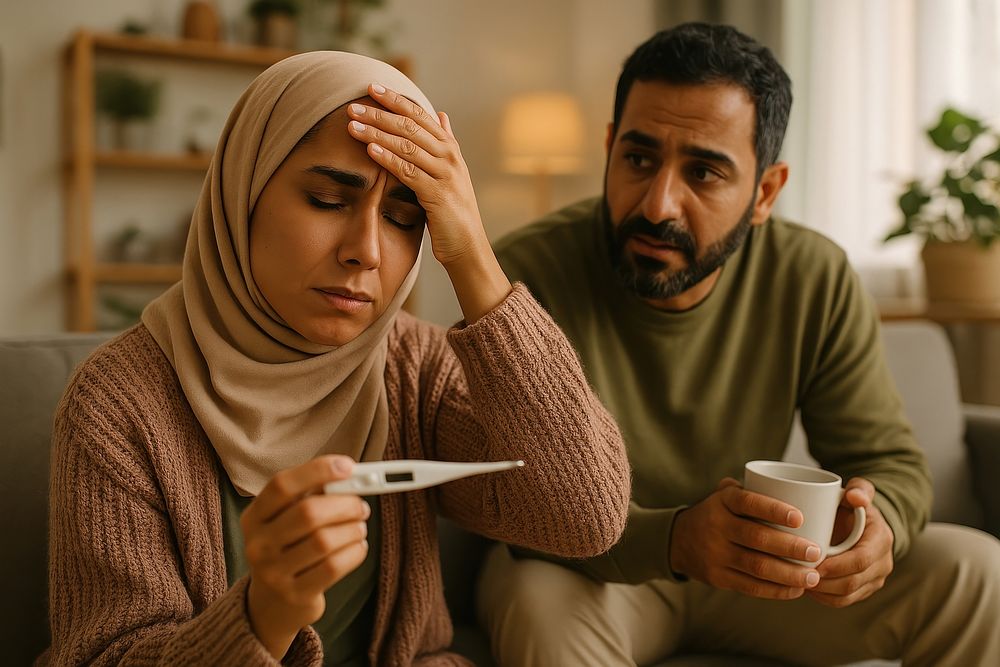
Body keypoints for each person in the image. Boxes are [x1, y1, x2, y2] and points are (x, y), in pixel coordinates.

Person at [43, 52, 631, 666]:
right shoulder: (117, 404)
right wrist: (264, 612)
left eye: (406, 218)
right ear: (243, 189)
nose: (367, 251)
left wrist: (473, 257)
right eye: (327, 198)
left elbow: (583, 517)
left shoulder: (414, 370)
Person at [478, 22, 1000, 666]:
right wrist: (673, 539)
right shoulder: (521, 280)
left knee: (979, 574)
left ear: (765, 193)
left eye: (703, 172)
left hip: (763, 577)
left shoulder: (813, 277)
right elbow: (513, 504)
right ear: (610, 147)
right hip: (598, 576)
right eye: (639, 159)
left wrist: (879, 524)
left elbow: (888, 460)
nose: (659, 203)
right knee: (533, 596)